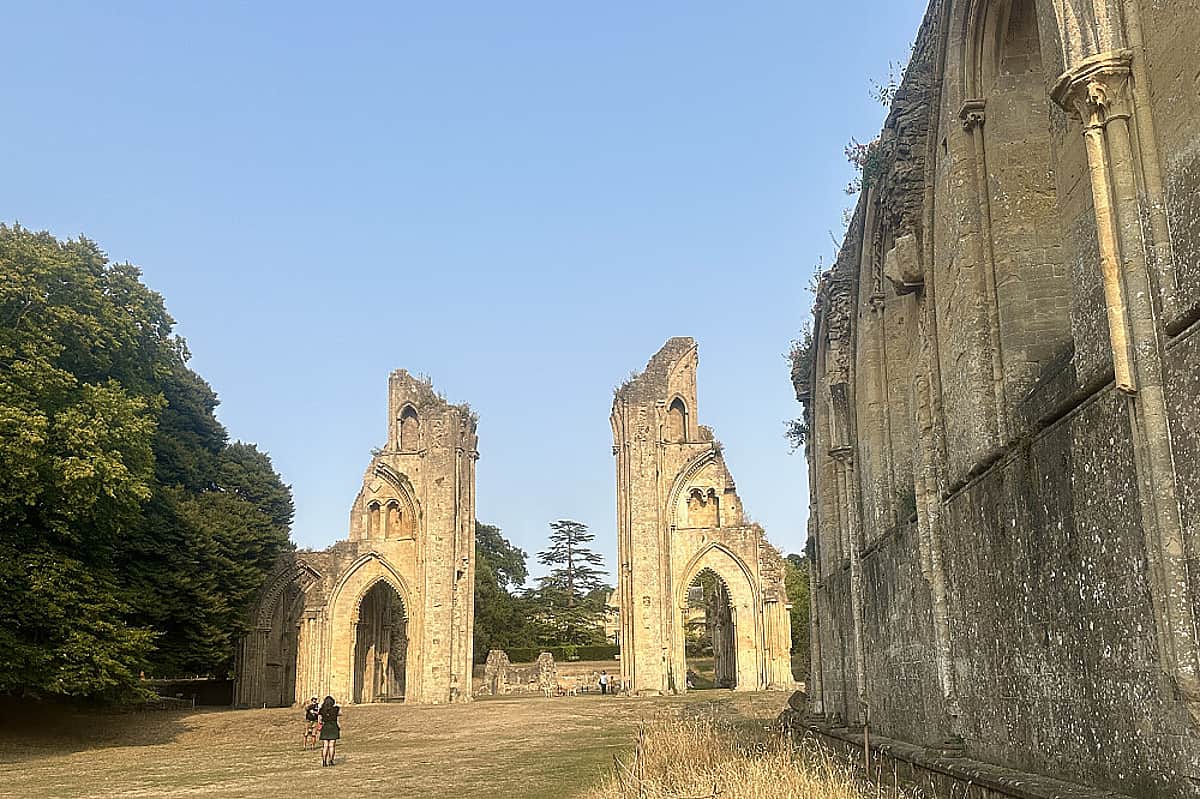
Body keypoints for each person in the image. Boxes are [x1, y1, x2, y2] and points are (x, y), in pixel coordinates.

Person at [318, 695, 341, 766]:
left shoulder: (322, 710)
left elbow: (319, 720)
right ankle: (331, 760)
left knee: (325, 746)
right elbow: (340, 714)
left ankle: (324, 761)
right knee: (332, 746)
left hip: (325, 727)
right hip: (333, 726)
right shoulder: (336, 709)